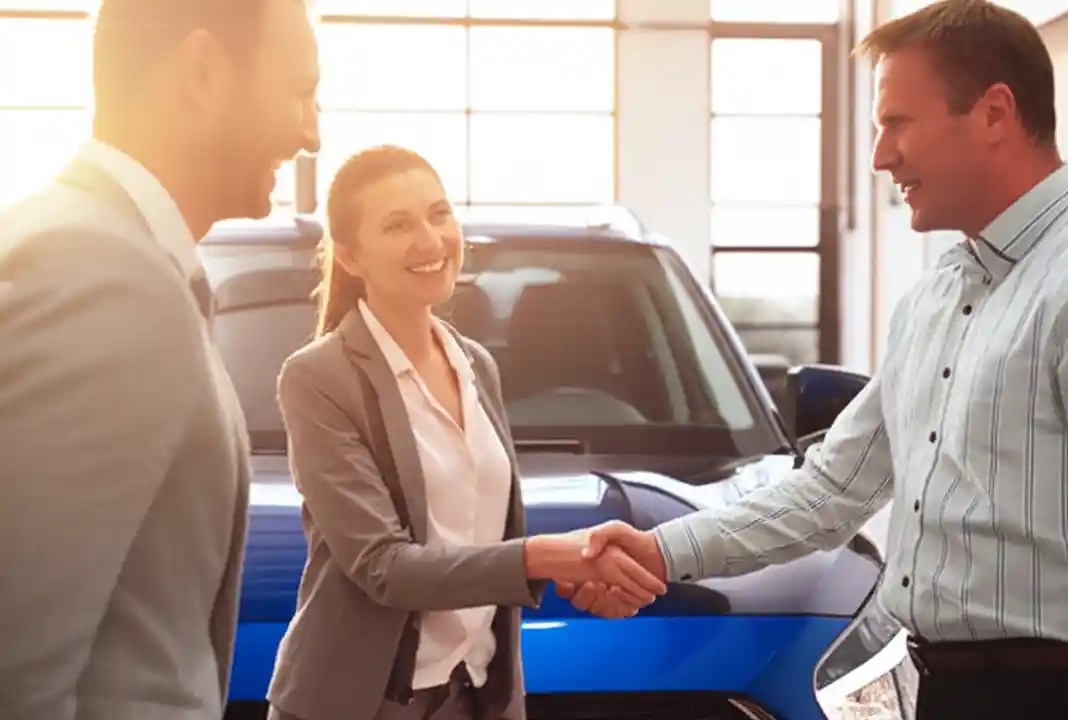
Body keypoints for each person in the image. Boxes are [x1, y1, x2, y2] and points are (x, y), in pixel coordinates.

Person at [563, 1, 1068, 718]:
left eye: (897, 123)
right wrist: (659, 551)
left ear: (994, 113)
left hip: (1058, 698)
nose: (880, 157)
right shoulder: (937, 297)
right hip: (940, 692)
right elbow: (830, 490)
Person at [264, 145, 666, 720]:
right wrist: (549, 557)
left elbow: (477, 537)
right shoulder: (319, 377)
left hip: (474, 695)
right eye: (398, 225)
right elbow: (383, 566)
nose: (430, 240)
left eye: (439, 214)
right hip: (361, 705)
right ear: (350, 256)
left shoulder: (475, 364)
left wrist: (576, 570)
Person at [0, 0, 320, 718]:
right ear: (201, 72)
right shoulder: (101, 272)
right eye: (299, 91)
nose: (310, 133)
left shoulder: (94, 245)